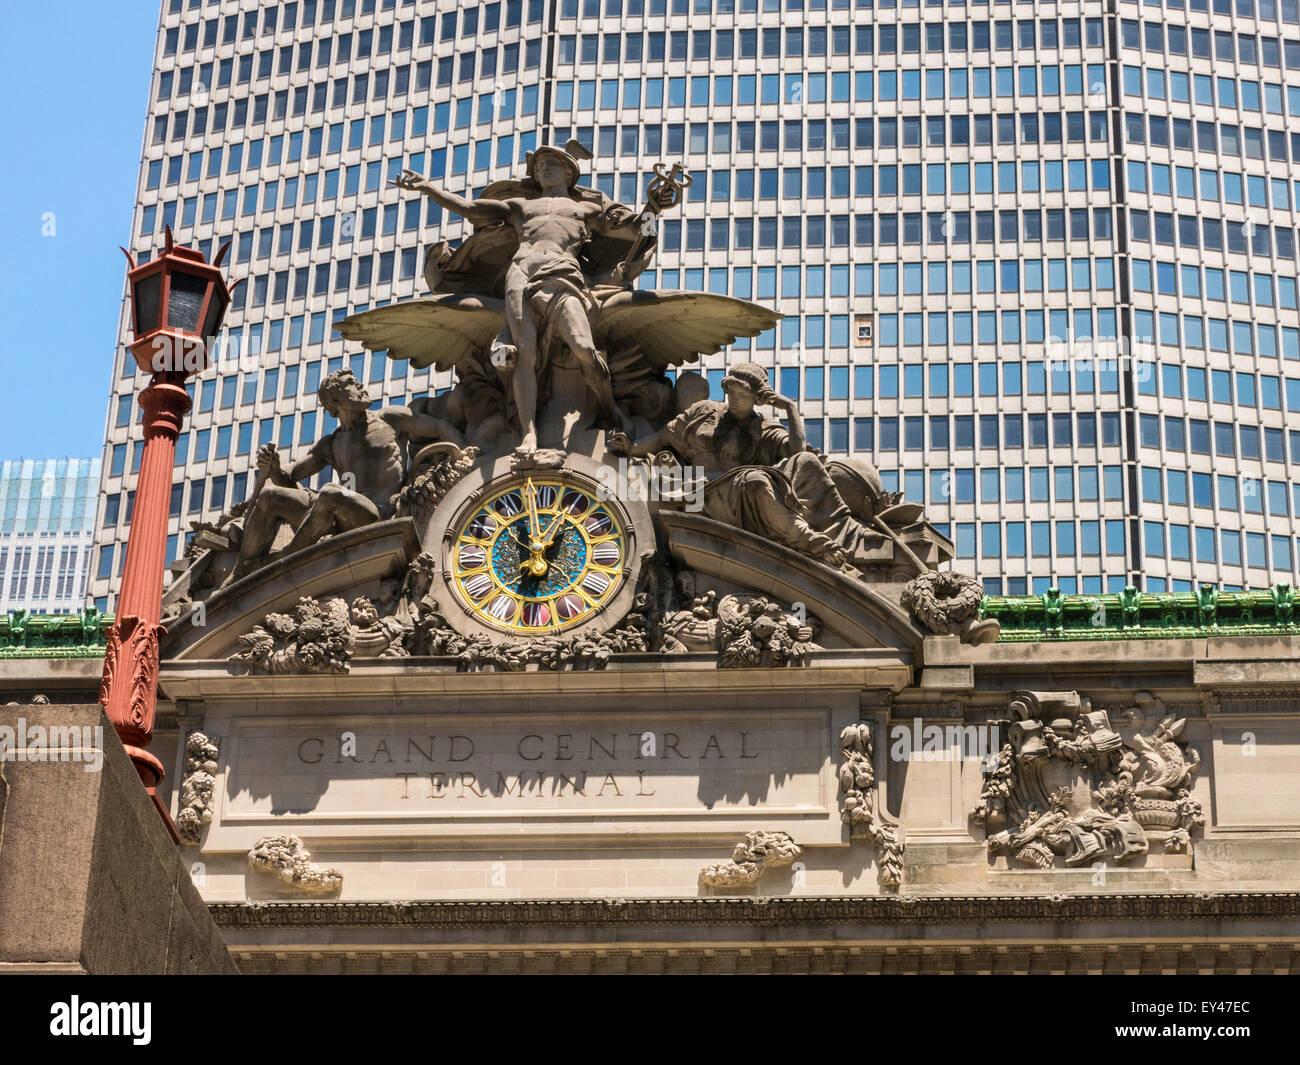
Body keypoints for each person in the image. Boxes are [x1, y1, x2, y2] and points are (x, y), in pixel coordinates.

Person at [394, 142, 673, 456]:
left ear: (569, 172)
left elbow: (639, 231)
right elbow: (469, 209)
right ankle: (529, 433)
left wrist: (654, 207)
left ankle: (610, 409)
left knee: (584, 348)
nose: (543, 169)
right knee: (525, 353)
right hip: (521, 273)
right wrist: (429, 189)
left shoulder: (587, 209)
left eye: (551, 163)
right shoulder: (520, 207)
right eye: (540, 165)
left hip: (563, 274)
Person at [608, 362, 880, 566]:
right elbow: (661, 438)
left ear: (758, 398)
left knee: (802, 463)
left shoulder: (763, 427)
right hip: (698, 489)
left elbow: (796, 452)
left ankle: (841, 532)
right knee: (757, 480)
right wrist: (632, 448)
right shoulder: (704, 412)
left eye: (743, 394)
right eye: (732, 392)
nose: (735, 399)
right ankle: (809, 539)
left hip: (739, 497)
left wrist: (791, 410)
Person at [224, 370, 462, 584]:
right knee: (269, 496)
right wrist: (273, 466)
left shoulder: (391, 419)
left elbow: (441, 428)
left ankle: (284, 557)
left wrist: (467, 456)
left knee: (330, 493)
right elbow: (288, 477)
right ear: (334, 401)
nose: (360, 386)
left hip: (380, 514)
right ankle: (243, 572)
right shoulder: (331, 444)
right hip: (338, 515)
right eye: (351, 384)